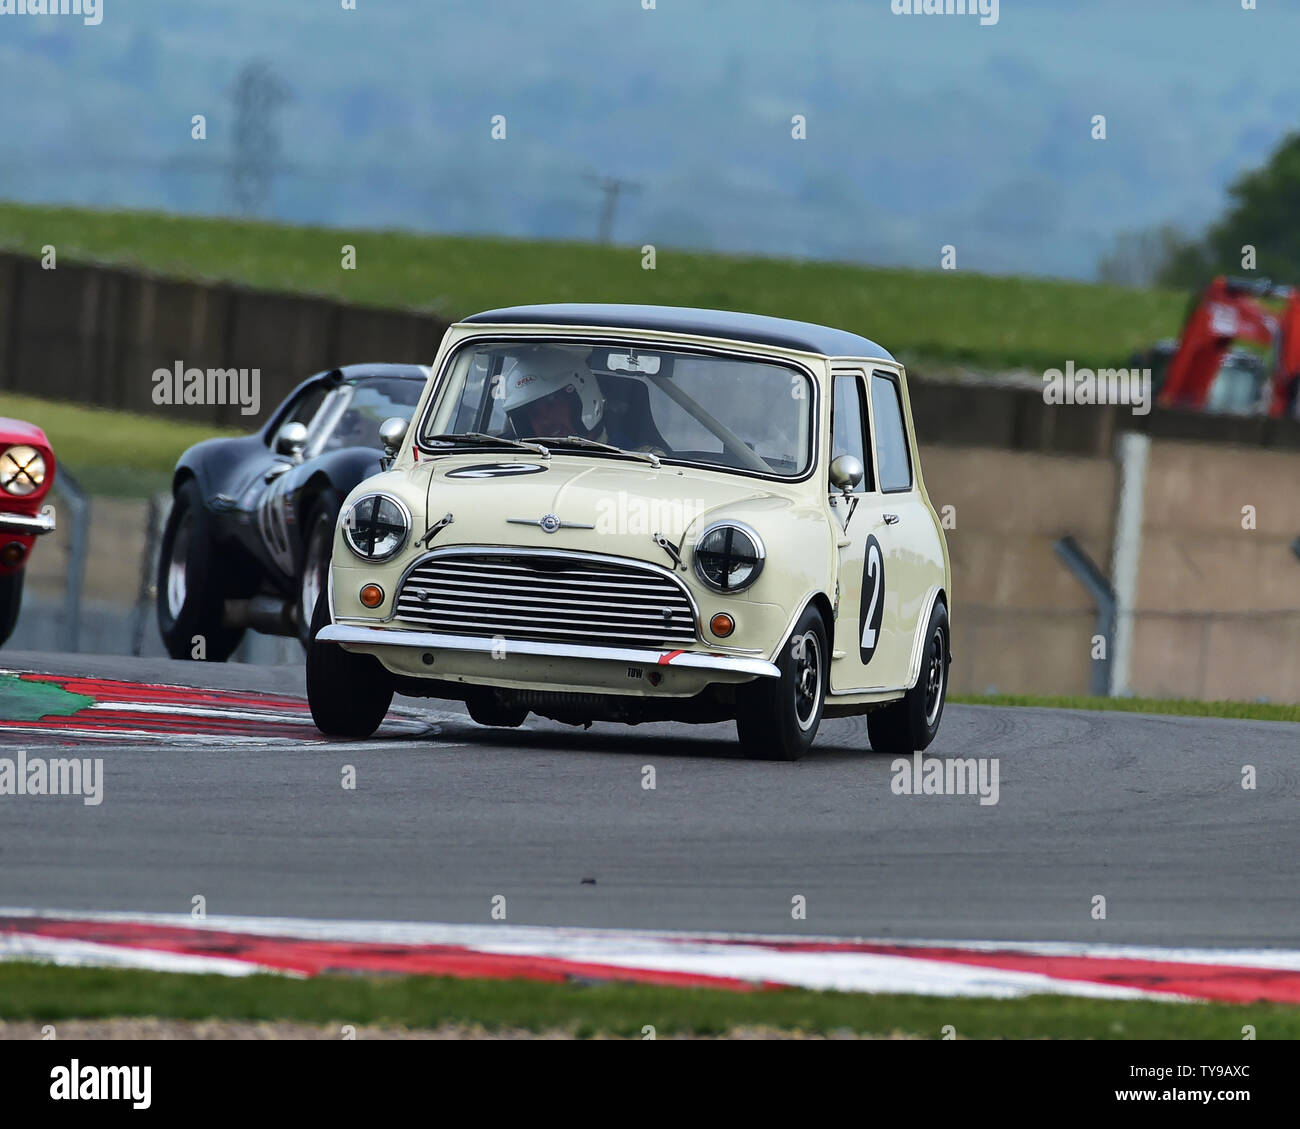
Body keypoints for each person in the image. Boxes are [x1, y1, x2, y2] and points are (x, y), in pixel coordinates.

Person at [502, 350, 606, 440]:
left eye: (551, 405)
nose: (545, 421)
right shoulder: (516, 460)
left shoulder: (619, 456)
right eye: (534, 414)